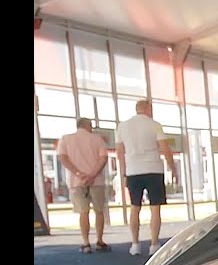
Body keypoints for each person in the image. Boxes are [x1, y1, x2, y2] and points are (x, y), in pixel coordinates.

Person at [116, 99, 177, 256]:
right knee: (155, 208)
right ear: (147, 108)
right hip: (153, 170)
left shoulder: (122, 126)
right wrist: (173, 169)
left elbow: (120, 153)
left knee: (135, 208)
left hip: (133, 171)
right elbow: (165, 148)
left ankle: (135, 244)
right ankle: (154, 244)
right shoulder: (154, 124)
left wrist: (123, 172)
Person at [57, 117, 111, 253]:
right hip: (96, 181)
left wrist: (79, 173)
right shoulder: (97, 139)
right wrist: (92, 175)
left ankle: (86, 243)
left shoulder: (65, 139)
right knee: (99, 211)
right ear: (88, 125)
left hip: (76, 182)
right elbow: (103, 158)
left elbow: (63, 158)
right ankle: (99, 240)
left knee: (83, 211)